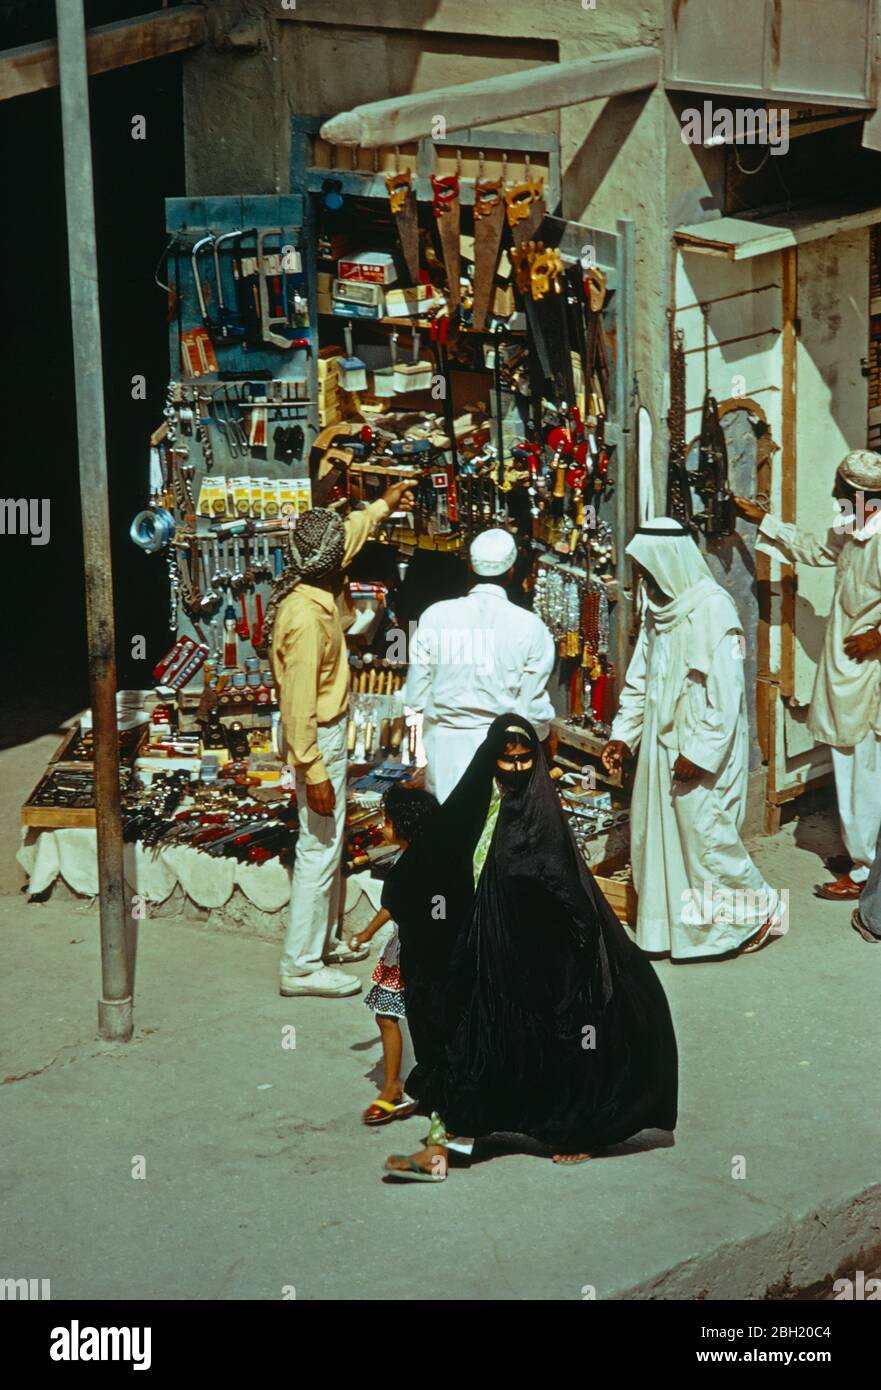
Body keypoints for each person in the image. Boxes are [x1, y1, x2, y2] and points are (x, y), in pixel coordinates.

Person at [381, 716, 678, 1182]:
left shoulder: (540, 815)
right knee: (471, 1041)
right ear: (491, 758)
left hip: (534, 951)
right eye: (507, 758)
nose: (516, 767)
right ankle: (446, 1147)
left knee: (551, 1043)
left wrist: (582, 944)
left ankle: (577, 1133)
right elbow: (439, 850)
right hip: (479, 943)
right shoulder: (479, 799)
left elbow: (560, 880)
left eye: (524, 759)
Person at [601, 518, 785, 960]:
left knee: (707, 841)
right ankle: (674, 934)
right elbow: (641, 678)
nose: (642, 580)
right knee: (657, 841)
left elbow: (727, 695)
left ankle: (757, 913)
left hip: (701, 745)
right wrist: (623, 737)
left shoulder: (714, 610)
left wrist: (699, 753)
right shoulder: (657, 608)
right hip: (660, 747)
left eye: (647, 570)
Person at [264, 481, 415, 998]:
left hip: (326, 736)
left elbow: (346, 534)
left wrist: (382, 506)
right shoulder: (305, 619)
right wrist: (313, 769)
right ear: (331, 565)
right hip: (317, 739)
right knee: (318, 850)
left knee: (326, 843)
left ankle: (322, 942)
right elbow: (297, 706)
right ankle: (301, 966)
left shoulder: (313, 573)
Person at [735, 451, 881, 901]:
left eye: (842, 492)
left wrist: (878, 637)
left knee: (865, 766)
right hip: (846, 665)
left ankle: (867, 872)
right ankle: (864, 857)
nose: (835, 497)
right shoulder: (851, 526)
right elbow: (817, 549)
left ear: (864, 497)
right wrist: (767, 522)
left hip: (869, 667)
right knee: (846, 757)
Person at [403, 528, 556, 801]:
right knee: (492, 834)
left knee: (450, 831)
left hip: (444, 747)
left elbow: (415, 695)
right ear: (511, 572)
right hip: (501, 751)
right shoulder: (530, 627)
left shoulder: (435, 616)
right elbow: (533, 710)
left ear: (471, 567)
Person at [348, 785, 441, 1123]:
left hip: (423, 955)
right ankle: (391, 1086)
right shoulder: (405, 860)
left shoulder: (429, 865)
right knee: (386, 1016)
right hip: (402, 949)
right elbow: (392, 907)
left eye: (387, 821)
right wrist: (367, 933)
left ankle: (429, 1087)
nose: (382, 828)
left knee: (424, 1022)